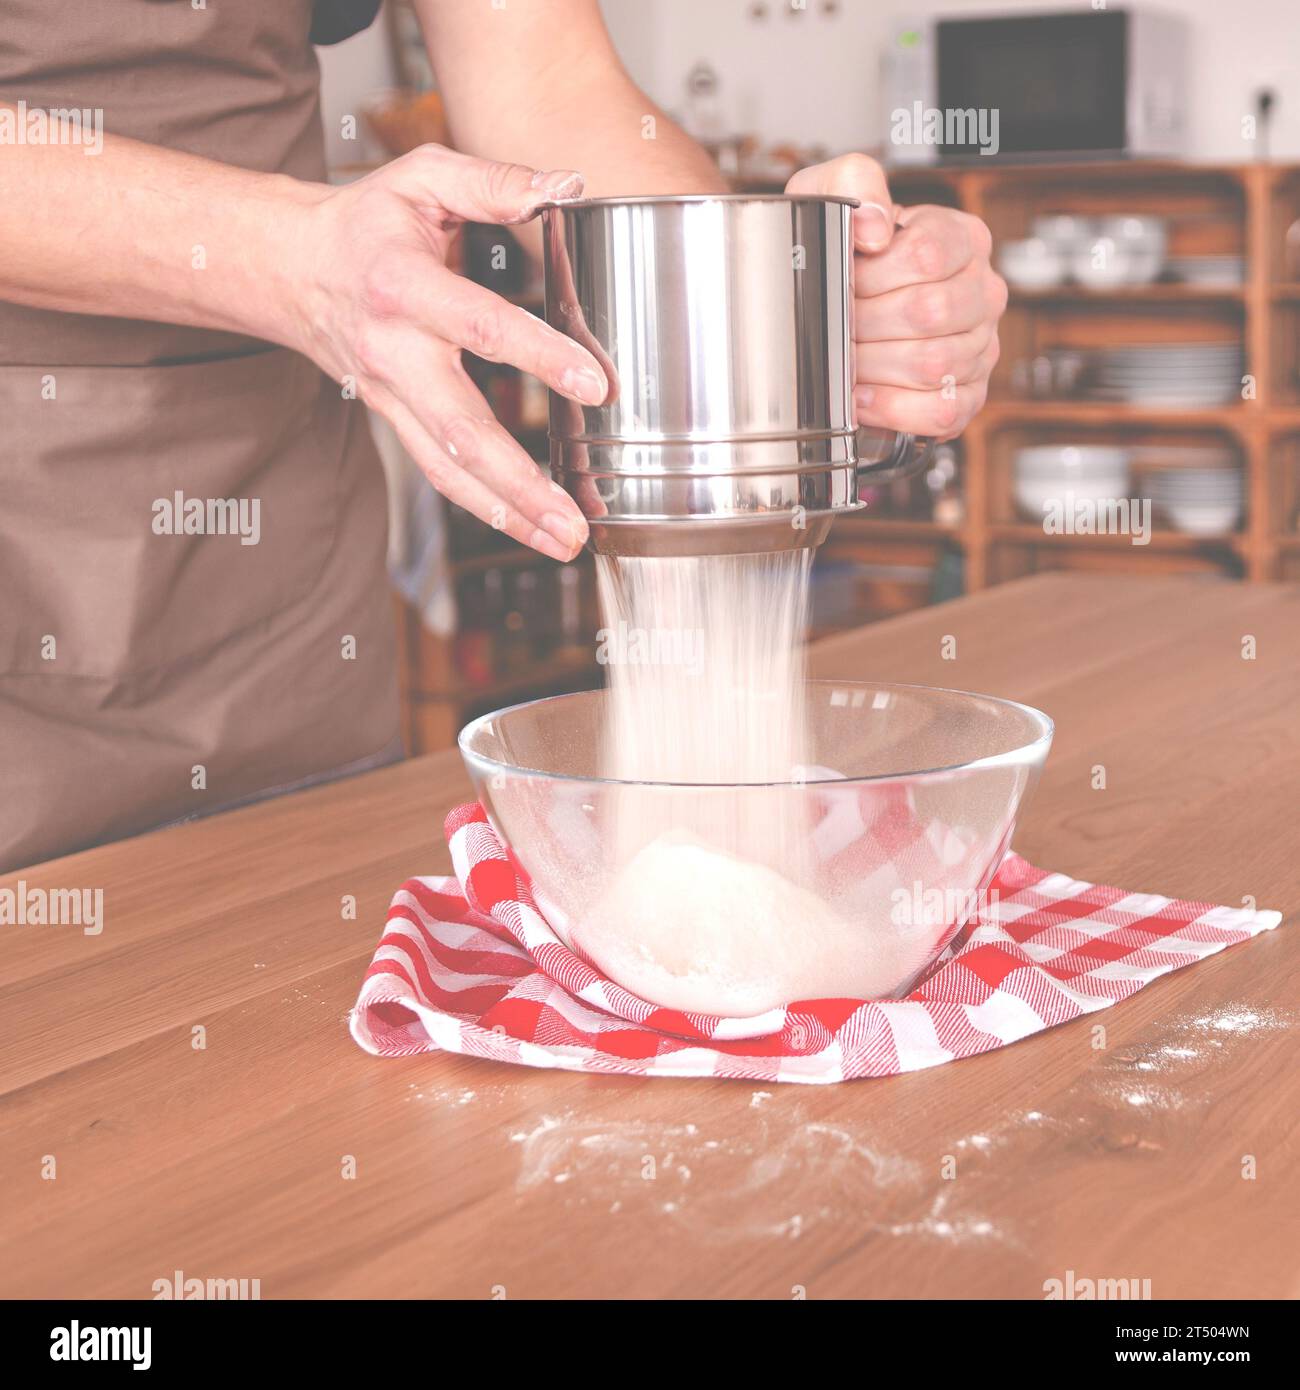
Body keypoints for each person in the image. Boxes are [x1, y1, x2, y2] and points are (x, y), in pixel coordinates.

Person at [0, 0, 1006, 872]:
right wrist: (286, 257)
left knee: (278, 980)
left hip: (269, 555)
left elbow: (547, 88)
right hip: (27, 539)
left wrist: (761, 303)